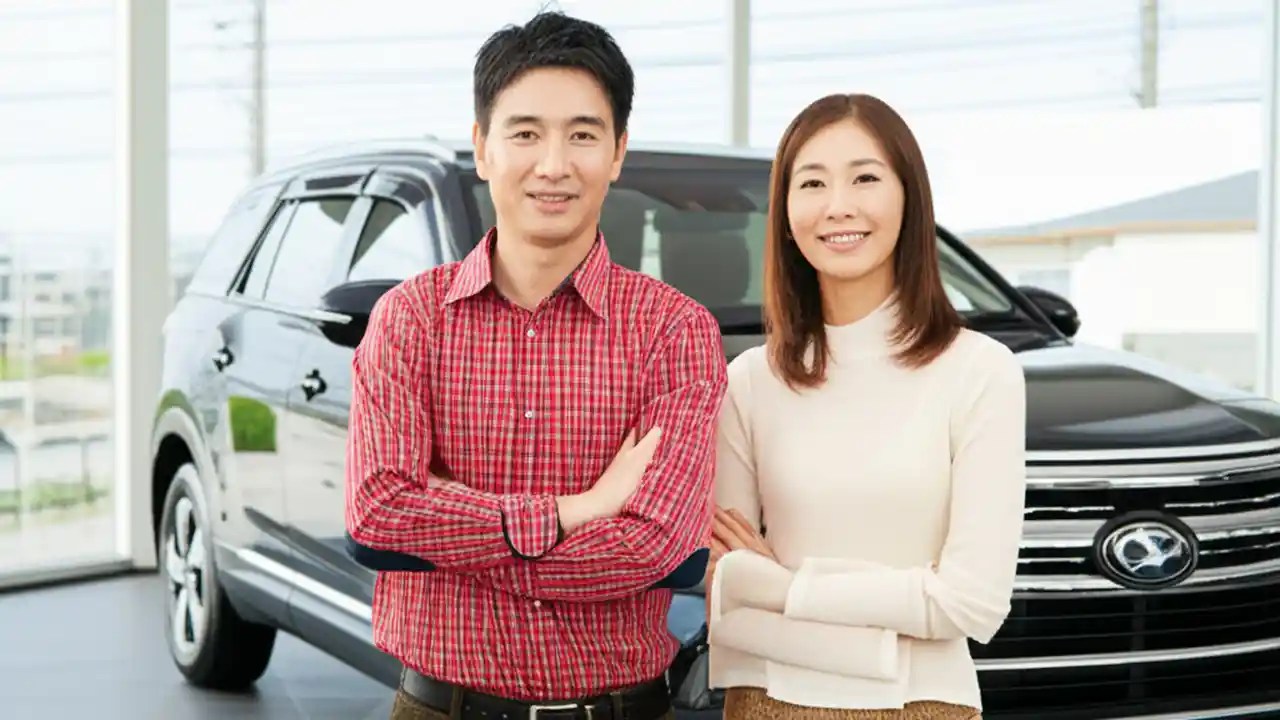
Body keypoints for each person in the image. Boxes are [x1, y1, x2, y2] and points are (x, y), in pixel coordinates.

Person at [343, 11, 727, 720]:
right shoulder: (411, 319)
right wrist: (573, 512)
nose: (553, 165)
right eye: (525, 134)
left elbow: (655, 549)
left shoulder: (675, 332)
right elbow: (379, 513)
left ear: (617, 152)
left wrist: (452, 533)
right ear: (482, 148)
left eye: (582, 135)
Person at [704, 93, 1027, 720]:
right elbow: (729, 594)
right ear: (785, 213)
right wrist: (906, 602)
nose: (838, 206)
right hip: (764, 703)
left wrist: (787, 587)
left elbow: (973, 605)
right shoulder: (748, 381)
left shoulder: (979, 370)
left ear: (910, 199)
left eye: (865, 178)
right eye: (812, 183)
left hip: (925, 706)